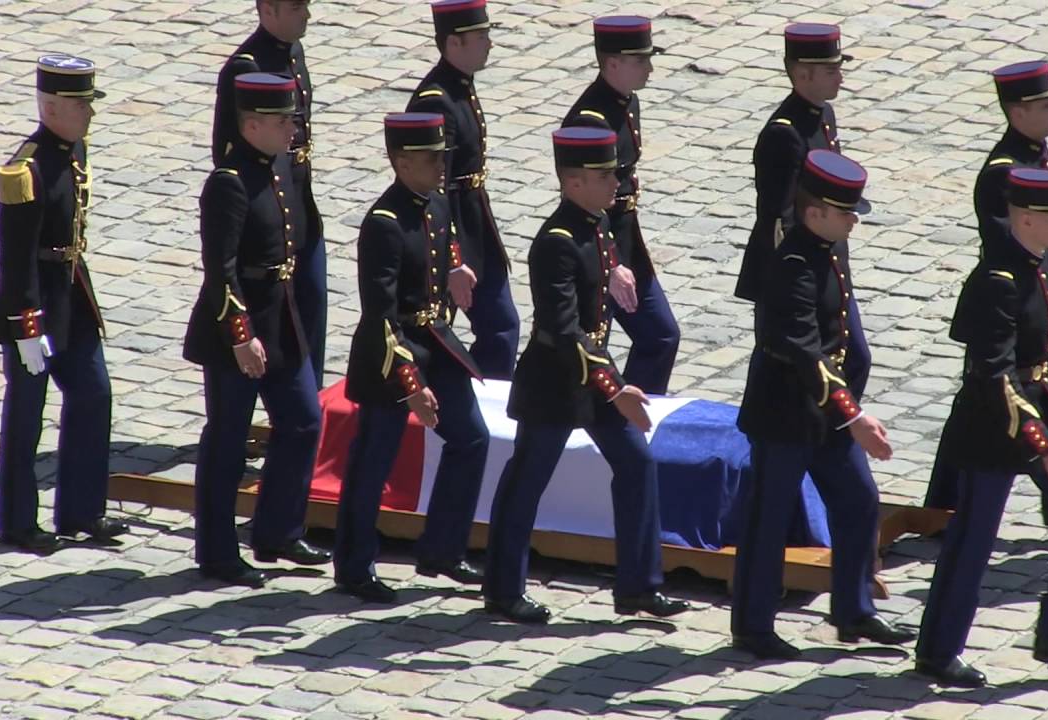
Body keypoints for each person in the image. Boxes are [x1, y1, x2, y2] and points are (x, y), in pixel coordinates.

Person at [481, 127, 689, 624]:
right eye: (604, 175)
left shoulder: (598, 222)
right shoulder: (555, 243)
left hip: (593, 375)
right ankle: (503, 589)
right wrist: (615, 389)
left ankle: (638, 585)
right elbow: (563, 329)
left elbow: (599, 268)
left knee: (636, 463)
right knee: (527, 480)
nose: (616, 182)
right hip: (555, 381)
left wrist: (615, 270)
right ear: (573, 183)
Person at [915, 168, 1048, 688]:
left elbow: (1040, 318)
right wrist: (1046, 449)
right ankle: (938, 652)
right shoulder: (996, 282)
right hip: (992, 422)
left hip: (1038, 405)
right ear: (1025, 219)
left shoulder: (1037, 261)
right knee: (973, 540)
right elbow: (994, 376)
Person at [733, 150, 914, 660]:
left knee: (859, 500)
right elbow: (804, 351)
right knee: (769, 519)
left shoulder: (830, 247)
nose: (854, 220)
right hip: (786, 412)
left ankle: (853, 610)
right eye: (846, 212)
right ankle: (752, 626)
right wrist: (853, 414)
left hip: (828, 411)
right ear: (814, 213)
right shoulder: (792, 266)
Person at [925, 61, 1048, 528]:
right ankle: (952, 503)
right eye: (1045, 106)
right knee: (984, 401)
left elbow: (1041, 258)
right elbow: (1014, 254)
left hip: (1035, 299)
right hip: (1007, 304)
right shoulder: (1004, 173)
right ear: (1017, 113)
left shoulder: (1034, 155)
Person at [333, 112, 489, 603]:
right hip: (391, 354)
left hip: (436, 341)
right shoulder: (383, 224)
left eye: (443, 157)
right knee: (373, 463)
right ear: (402, 163)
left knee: (471, 439)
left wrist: (456, 268)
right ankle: (354, 566)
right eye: (431, 159)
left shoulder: (436, 202)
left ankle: (442, 548)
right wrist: (412, 385)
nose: (442, 166)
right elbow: (381, 317)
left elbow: (444, 243)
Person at [184, 73, 329, 588]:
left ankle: (277, 530)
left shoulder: (281, 165)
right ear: (251, 125)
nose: (293, 129)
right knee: (227, 438)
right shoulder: (229, 182)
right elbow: (219, 270)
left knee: (304, 420)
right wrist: (241, 335)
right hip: (238, 329)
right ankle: (216, 551)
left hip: (281, 319)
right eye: (283, 121)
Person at [0, 54, 126, 553]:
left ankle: (82, 511)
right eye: (81, 105)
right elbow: (15, 257)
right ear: (50, 108)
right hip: (35, 305)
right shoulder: (25, 171)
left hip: (72, 294)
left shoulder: (74, 149)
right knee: (26, 416)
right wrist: (25, 326)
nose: (90, 113)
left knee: (94, 395)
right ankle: (17, 521)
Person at [734, 23, 871, 400]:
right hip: (794, 266)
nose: (840, 77)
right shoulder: (784, 134)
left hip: (827, 256)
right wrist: (794, 274)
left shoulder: (824, 115)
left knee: (855, 357)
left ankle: (837, 427)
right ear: (802, 74)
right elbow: (778, 217)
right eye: (831, 70)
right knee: (781, 365)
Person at [562, 15, 680, 395]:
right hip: (595, 249)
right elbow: (583, 203)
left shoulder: (627, 102)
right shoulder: (591, 122)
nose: (650, 68)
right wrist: (610, 264)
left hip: (627, 243)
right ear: (613, 63)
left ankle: (632, 418)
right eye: (641, 60)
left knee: (661, 336)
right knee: (589, 350)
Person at [213, 0, 327, 388]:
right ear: (267, 10)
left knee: (312, 307)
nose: (307, 14)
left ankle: (309, 402)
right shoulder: (246, 67)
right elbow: (228, 152)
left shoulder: (293, 50)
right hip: (268, 217)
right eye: (296, 7)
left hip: (300, 208)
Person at [406, 0, 520, 379]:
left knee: (501, 327)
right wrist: (452, 258)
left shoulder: (459, 88)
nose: (490, 43)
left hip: (476, 225)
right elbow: (433, 190)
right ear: (454, 43)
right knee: (435, 334)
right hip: (448, 233)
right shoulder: (436, 103)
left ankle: (480, 404)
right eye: (481, 36)